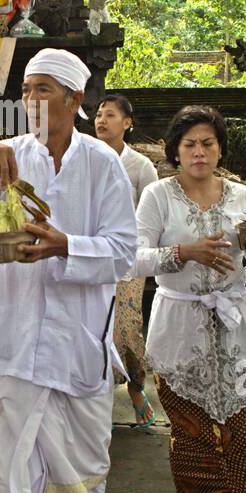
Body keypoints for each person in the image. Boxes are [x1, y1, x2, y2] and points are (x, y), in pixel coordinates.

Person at [0, 48, 137, 493]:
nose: (30, 99)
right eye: (26, 89)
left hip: (77, 350)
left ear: (74, 100)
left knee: (85, 480)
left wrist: (66, 245)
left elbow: (122, 252)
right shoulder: (6, 154)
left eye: (43, 89)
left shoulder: (102, 163)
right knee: (16, 479)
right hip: (14, 351)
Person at [136, 106, 246, 493]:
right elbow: (134, 257)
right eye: (190, 145)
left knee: (244, 435)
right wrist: (184, 252)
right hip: (178, 328)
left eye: (207, 143)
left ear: (219, 148)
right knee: (192, 438)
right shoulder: (158, 195)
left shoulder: (242, 196)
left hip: (235, 326)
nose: (199, 152)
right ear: (175, 152)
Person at [94, 92, 158, 426]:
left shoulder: (141, 166)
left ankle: (135, 385)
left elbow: (152, 215)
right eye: (99, 114)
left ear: (127, 123)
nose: (101, 120)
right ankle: (95, 396)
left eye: (110, 115)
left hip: (129, 257)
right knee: (93, 325)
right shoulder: (84, 157)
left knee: (126, 326)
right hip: (92, 255)